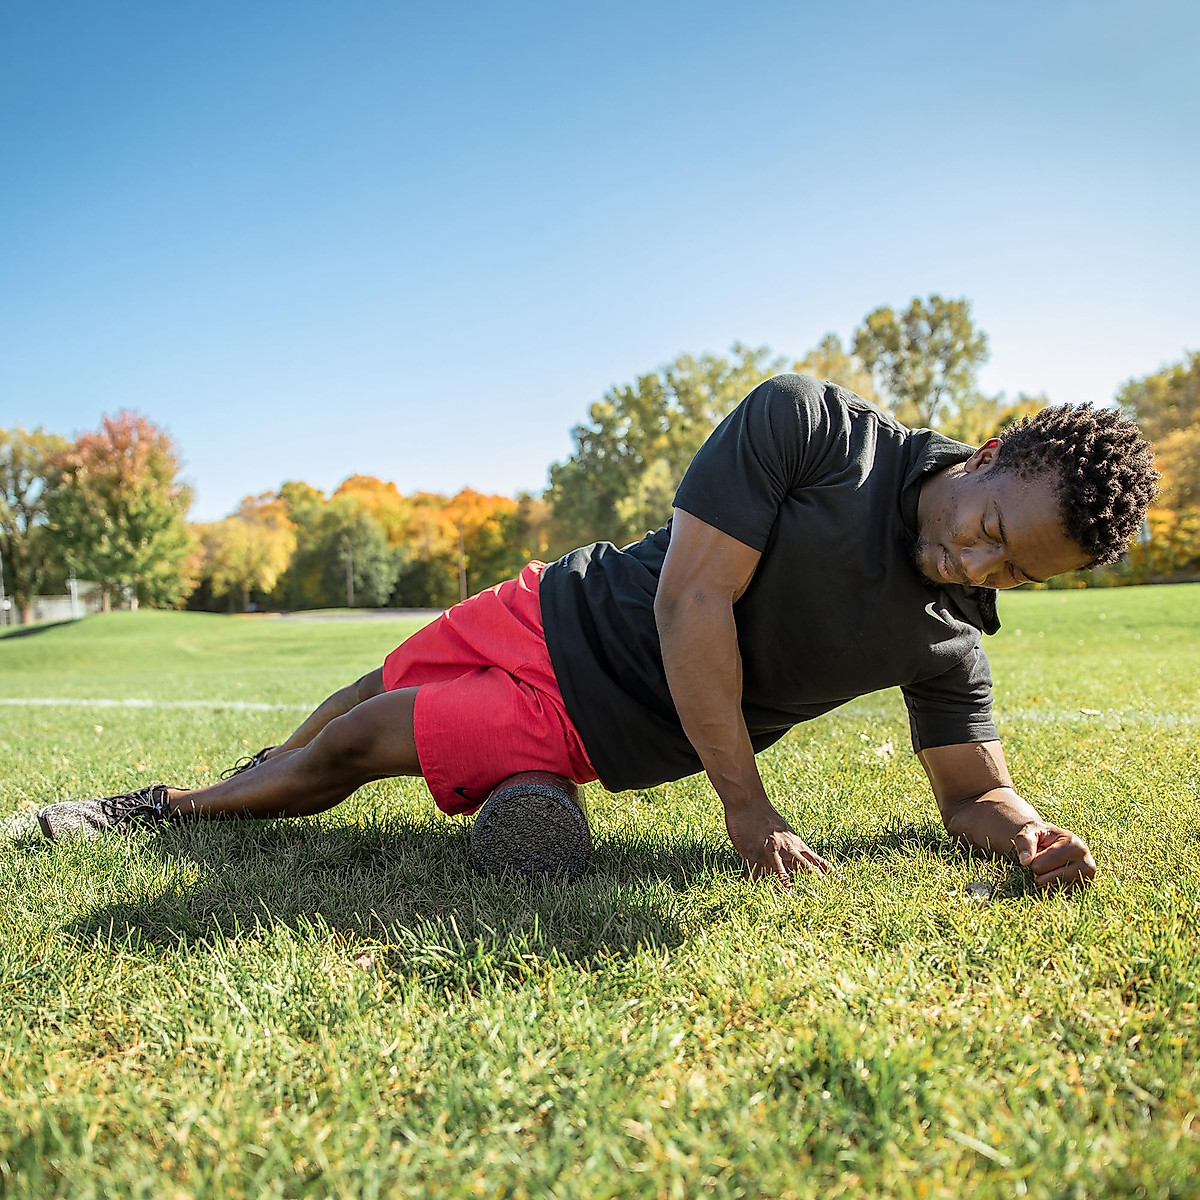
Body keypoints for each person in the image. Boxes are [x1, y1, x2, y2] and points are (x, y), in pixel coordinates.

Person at [36, 375, 1158, 891]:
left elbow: (970, 790)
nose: (976, 566)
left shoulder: (946, 638)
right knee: (354, 690)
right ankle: (252, 782)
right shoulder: (812, 427)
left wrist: (1027, 834)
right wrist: (748, 805)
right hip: (549, 603)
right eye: (989, 532)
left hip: (591, 721)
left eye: (1015, 572)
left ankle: (161, 808)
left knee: (360, 740)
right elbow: (689, 598)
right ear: (992, 455)